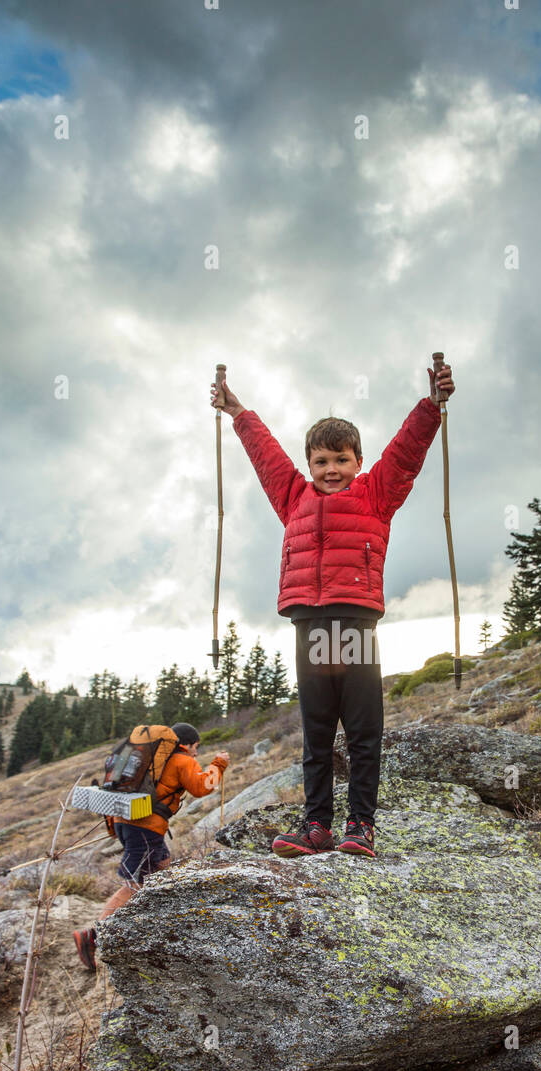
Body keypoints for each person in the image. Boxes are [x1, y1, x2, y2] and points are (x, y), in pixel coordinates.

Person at [210, 360, 455, 858]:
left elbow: (406, 453)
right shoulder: (292, 496)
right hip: (309, 626)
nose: (331, 471)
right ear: (309, 465)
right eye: (321, 462)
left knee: (364, 730)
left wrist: (432, 406)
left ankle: (360, 825)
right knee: (317, 732)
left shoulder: (377, 495)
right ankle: (316, 824)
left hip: (356, 624)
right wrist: (237, 410)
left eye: (341, 460)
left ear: (358, 462)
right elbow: (266, 455)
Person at [73, 723, 229, 970]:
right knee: (135, 883)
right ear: (186, 744)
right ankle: (93, 935)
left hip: (127, 822)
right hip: (145, 828)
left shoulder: (149, 758)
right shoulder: (181, 760)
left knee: (162, 870)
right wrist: (218, 764)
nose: (196, 753)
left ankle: (159, 925)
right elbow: (202, 787)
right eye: (196, 747)